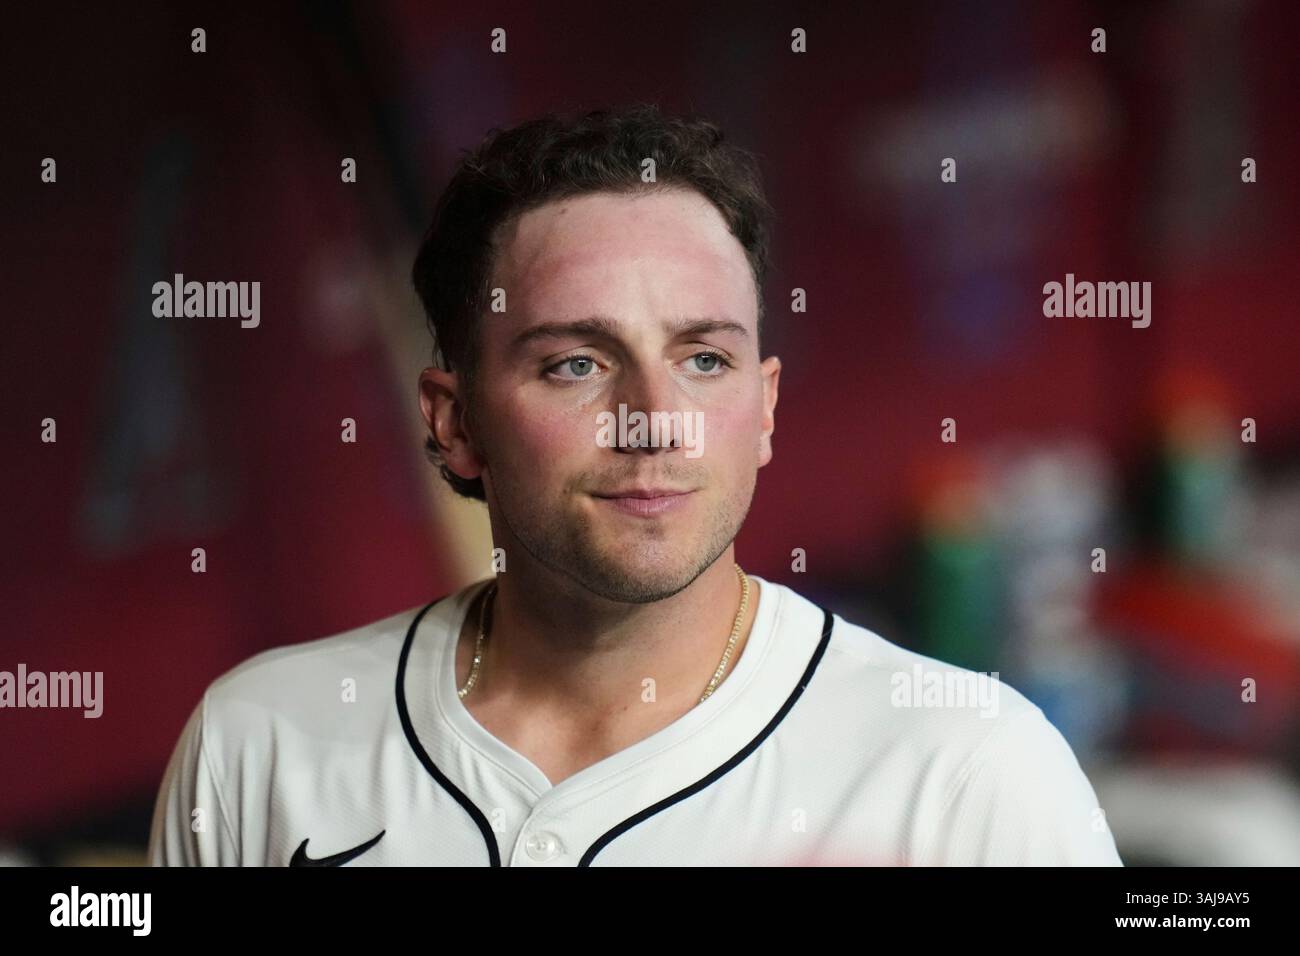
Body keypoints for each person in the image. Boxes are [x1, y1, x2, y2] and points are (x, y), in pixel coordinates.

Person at [148, 103, 1123, 866]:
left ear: (766, 407)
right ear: (454, 422)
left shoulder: (968, 773)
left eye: (703, 359)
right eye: (576, 362)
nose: (653, 418)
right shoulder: (261, 743)